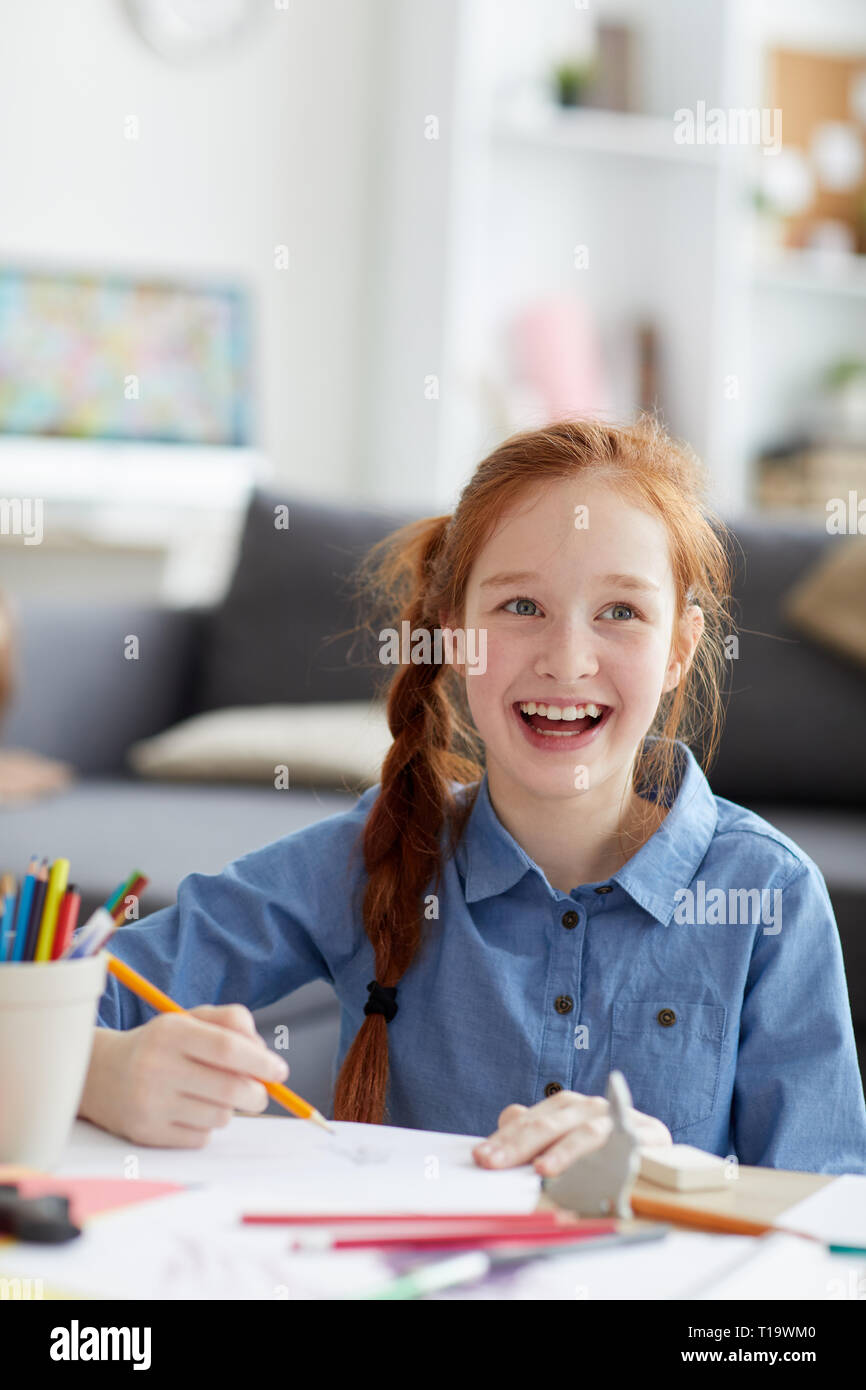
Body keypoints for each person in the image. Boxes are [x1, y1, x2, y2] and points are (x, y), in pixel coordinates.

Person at [78, 416, 866, 1176]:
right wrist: (98, 1073)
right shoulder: (371, 856)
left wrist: (669, 1173)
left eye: (621, 612)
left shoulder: (768, 894)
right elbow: (62, 999)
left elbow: (830, 1214)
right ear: (452, 635)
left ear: (679, 650)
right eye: (521, 607)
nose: (567, 660)